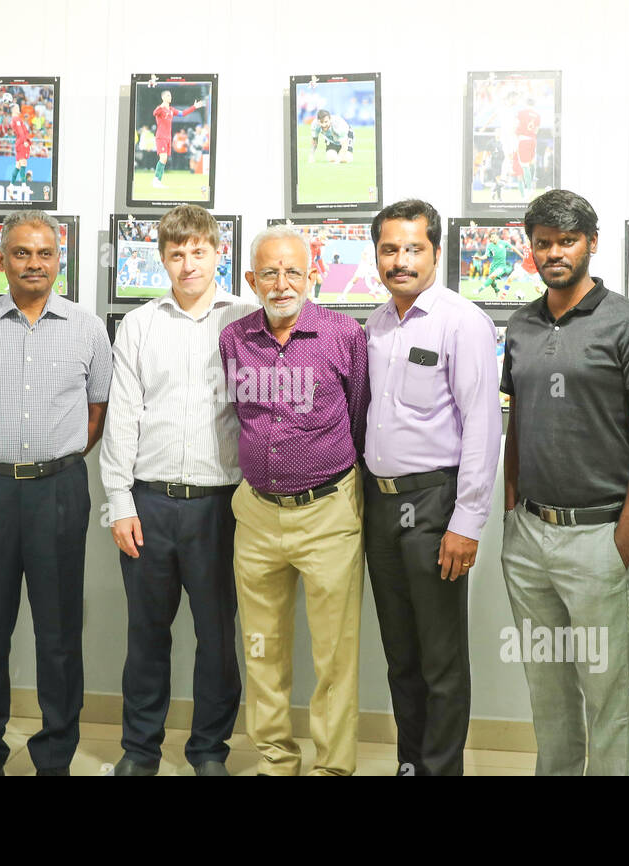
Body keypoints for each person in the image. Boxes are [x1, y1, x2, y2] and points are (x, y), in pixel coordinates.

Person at [500, 189, 629, 775]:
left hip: (598, 536)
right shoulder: (520, 325)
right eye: (542, 243)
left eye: (566, 241)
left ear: (591, 244)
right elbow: (518, 424)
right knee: (546, 692)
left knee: (604, 693)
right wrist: (510, 512)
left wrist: (623, 538)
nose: (554, 252)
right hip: (527, 537)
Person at [0, 210, 112, 776]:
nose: (34, 263)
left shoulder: (89, 329)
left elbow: (97, 412)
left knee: (59, 630)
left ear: (58, 261)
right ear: (1, 261)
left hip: (60, 490)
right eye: (21, 253)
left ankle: (55, 755)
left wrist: (53, 463)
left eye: (44, 254)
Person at [100, 205, 259, 777]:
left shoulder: (246, 320)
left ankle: (209, 751)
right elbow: (123, 417)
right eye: (175, 254)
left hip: (224, 505)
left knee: (218, 638)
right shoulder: (140, 325)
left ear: (219, 252)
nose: (187, 264)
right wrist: (118, 502)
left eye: (198, 251)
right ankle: (139, 750)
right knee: (147, 636)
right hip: (150, 503)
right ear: (162, 258)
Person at [219, 225, 368, 776]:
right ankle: (277, 760)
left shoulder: (343, 334)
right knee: (261, 647)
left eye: (292, 271)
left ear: (312, 274)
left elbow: (358, 417)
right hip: (257, 514)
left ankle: (332, 766)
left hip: (329, 511)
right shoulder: (234, 338)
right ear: (252, 279)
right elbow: (241, 415)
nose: (282, 284)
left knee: (334, 653)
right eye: (268, 273)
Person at [362, 199, 501, 775]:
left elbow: (484, 428)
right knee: (400, 655)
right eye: (390, 249)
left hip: (435, 503)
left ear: (436, 253)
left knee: (441, 659)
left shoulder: (463, 322)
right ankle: (410, 765)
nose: (401, 260)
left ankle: (442, 770)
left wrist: (465, 523)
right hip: (380, 503)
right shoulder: (374, 324)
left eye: (413, 248)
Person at [151, 90, 205, 189]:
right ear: (163, 97)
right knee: (163, 158)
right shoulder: (161, 109)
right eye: (167, 95)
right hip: (161, 137)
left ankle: (158, 181)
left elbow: (183, 113)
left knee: (165, 159)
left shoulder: (171, 110)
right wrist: (161, 106)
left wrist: (194, 107)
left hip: (168, 138)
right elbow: (154, 113)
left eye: (170, 95)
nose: (170, 97)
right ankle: (156, 180)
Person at [7, 100, 32, 186]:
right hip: (21, 143)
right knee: (23, 164)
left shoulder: (15, 119)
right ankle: (24, 186)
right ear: (14, 109)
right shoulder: (16, 119)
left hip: (19, 142)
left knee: (18, 166)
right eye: (17, 107)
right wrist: (25, 141)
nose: (19, 109)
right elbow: (21, 133)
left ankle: (11, 186)